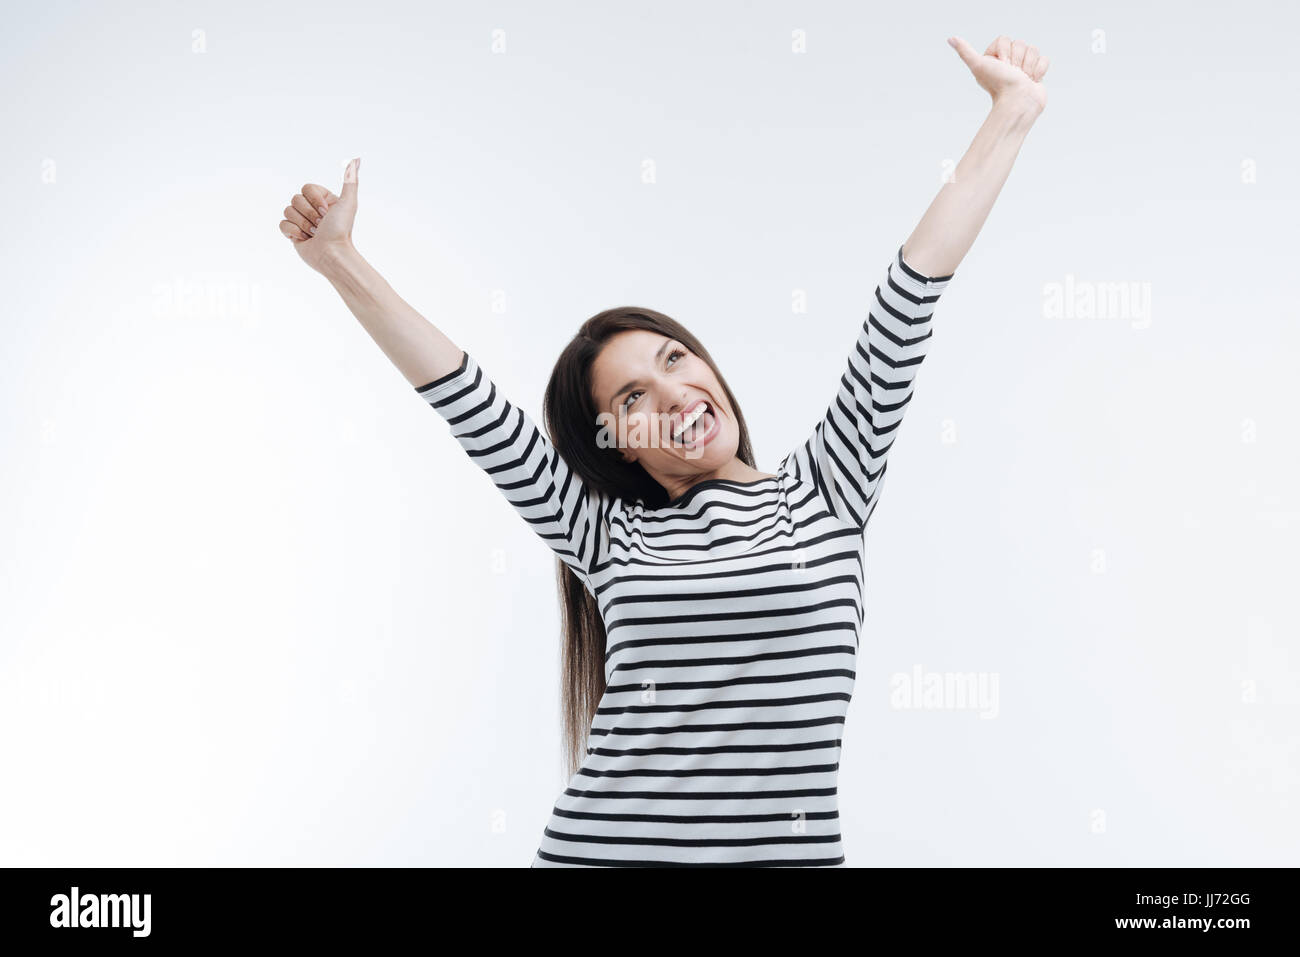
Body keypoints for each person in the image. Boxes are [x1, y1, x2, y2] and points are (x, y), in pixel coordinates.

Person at [278, 35, 1049, 867]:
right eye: (633, 397)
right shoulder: (607, 535)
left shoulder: (829, 491)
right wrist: (339, 261)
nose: (675, 393)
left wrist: (1011, 111)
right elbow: (465, 399)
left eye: (675, 358)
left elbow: (909, 293)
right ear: (615, 443)